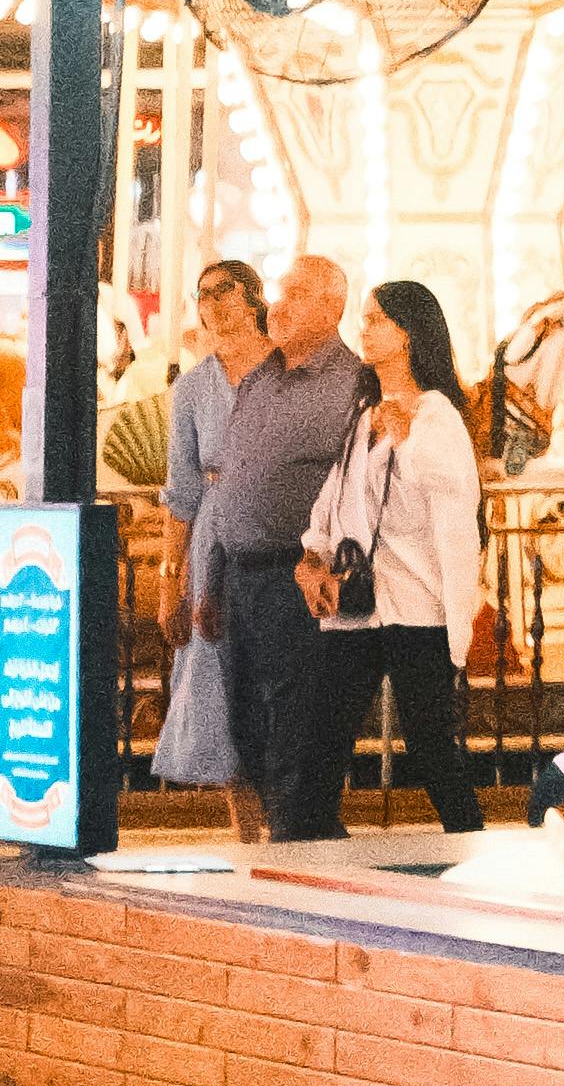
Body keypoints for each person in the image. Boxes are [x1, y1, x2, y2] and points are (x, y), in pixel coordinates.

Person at [277, 281, 490, 842]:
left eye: (377, 320)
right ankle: (312, 845)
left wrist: (406, 441)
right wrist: (312, 556)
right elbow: (336, 495)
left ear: (409, 334)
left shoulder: (437, 415)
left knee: (430, 747)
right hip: (358, 601)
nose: (364, 329)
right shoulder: (365, 411)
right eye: (365, 319)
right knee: (322, 736)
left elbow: (454, 505)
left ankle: (474, 848)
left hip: (416, 606)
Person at [190, 250, 368, 844]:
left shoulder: (350, 385)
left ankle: (298, 837)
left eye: (294, 295)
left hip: (298, 578)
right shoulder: (261, 379)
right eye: (280, 294)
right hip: (241, 576)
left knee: (295, 720)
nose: (279, 305)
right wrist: (211, 579)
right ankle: (306, 832)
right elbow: (229, 486)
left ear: (331, 307)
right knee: (245, 720)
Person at [154, 257, 272, 816]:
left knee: (276, 678)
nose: (214, 304)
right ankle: (245, 828)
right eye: (204, 295)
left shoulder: (283, 370)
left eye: (225, 291)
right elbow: (180, 491)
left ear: (253, 298)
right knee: (216, 683)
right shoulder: (195, 388)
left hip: (277, 532)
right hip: (213, 541)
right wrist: (168, 580)